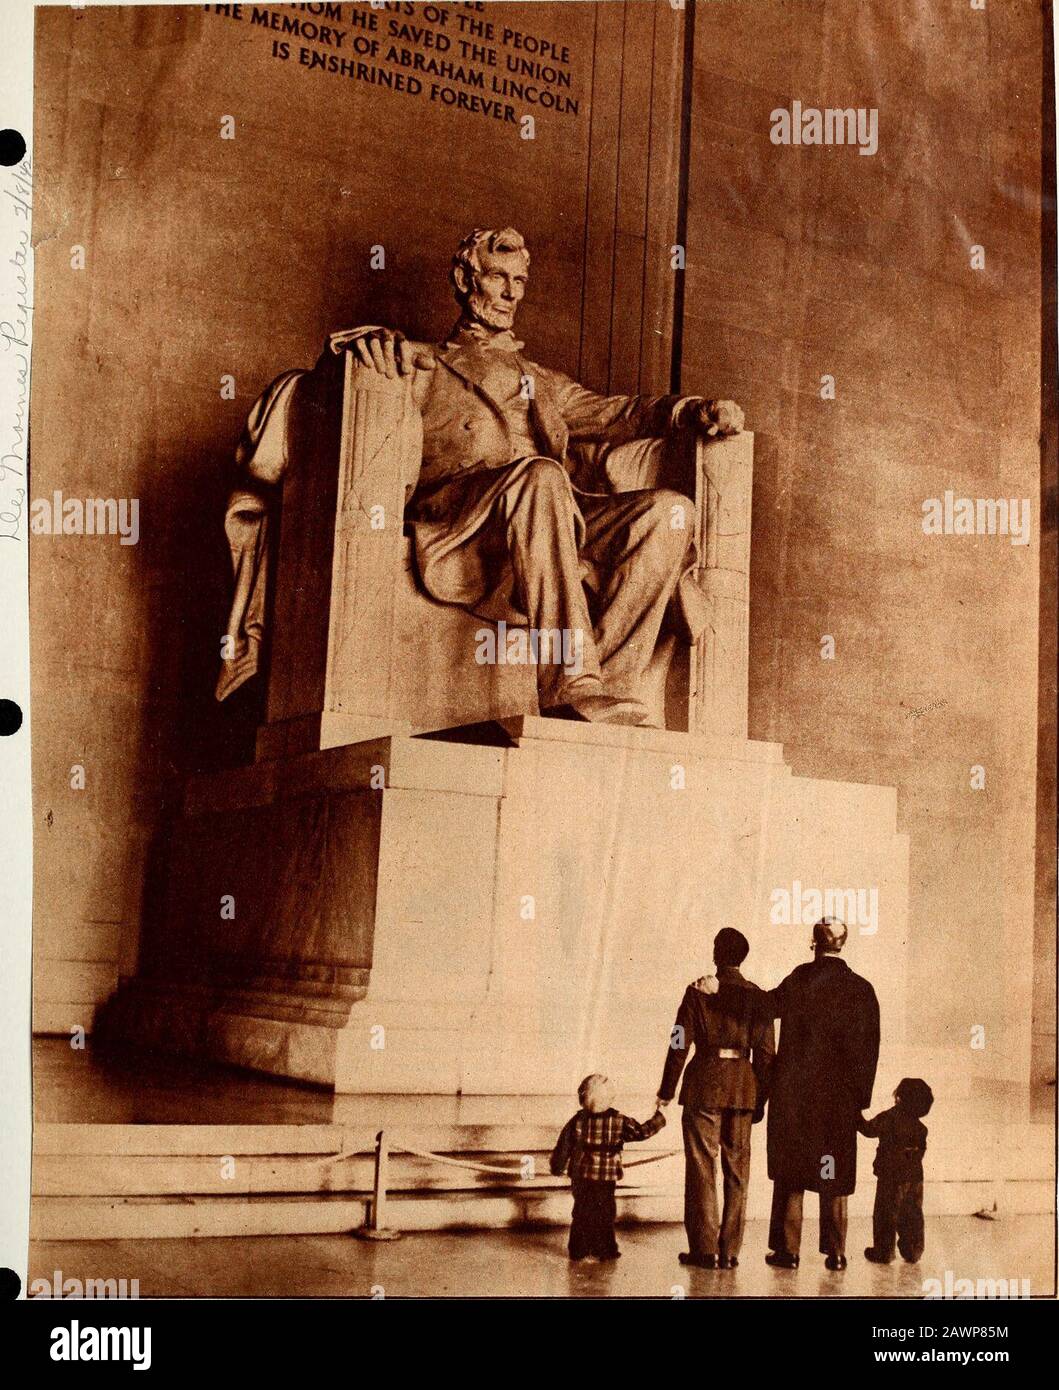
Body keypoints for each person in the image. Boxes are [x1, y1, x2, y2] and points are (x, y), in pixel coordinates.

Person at [332, 227, 745, 725]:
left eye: (520, 281)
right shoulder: (421, 362)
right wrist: (365, 347)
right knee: (541, 476)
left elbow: (622, 414)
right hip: (464, 516)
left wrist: (691, 411)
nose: (511, 293)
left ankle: (606, 687)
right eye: (498, 278)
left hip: (551, 512)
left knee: (669, 513)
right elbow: (331, 381)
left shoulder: (544, 381)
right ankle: (568, 675)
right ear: (466, 280)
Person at [693, 917, 880, 1271]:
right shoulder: (862, 989)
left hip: (795, 1097)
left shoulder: (801, 979)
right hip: (839, 1101)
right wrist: (859, 1101)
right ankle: (837, 1253)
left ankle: (787, 1251)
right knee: (832, 1174)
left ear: (814, 943)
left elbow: (764, 1007)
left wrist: (720, 990)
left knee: (792, 1173)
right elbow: (870, 1051)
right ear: (843, 945)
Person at [656, 927, 775, 1269]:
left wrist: (666, 1090)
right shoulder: (760, 998)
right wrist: (761, 1100)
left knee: (701, 1169)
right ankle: (730, 1251)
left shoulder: (697, 992)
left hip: (703, 1085)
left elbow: (679, 1043)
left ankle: (704, 1250)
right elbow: (767, 1057)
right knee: (738, 1172)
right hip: (743, 1088)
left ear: (716, 954)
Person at [550, 1073, 665, 1261]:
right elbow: (641, 1132)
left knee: (581, 1212)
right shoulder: (619, 1121)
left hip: (581, 1176)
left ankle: (578, 1250)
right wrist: (659, 1118)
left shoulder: (577, 1120)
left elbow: (563, 1146)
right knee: (605, 1213)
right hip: (605, 1178)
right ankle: (605, 1250)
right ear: (609, 1098)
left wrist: (557, 1167)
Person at [860, 1077, 933, 1265]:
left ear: (899, 1097)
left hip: (890, 1177)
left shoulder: (889, 1117)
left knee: (885, 1213)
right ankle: (913, 1250)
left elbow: (868, 1129)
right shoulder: (921, 1128)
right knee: (912, 1213)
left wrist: (855, 1115)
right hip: (915, 1178)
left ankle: (883, 1252)